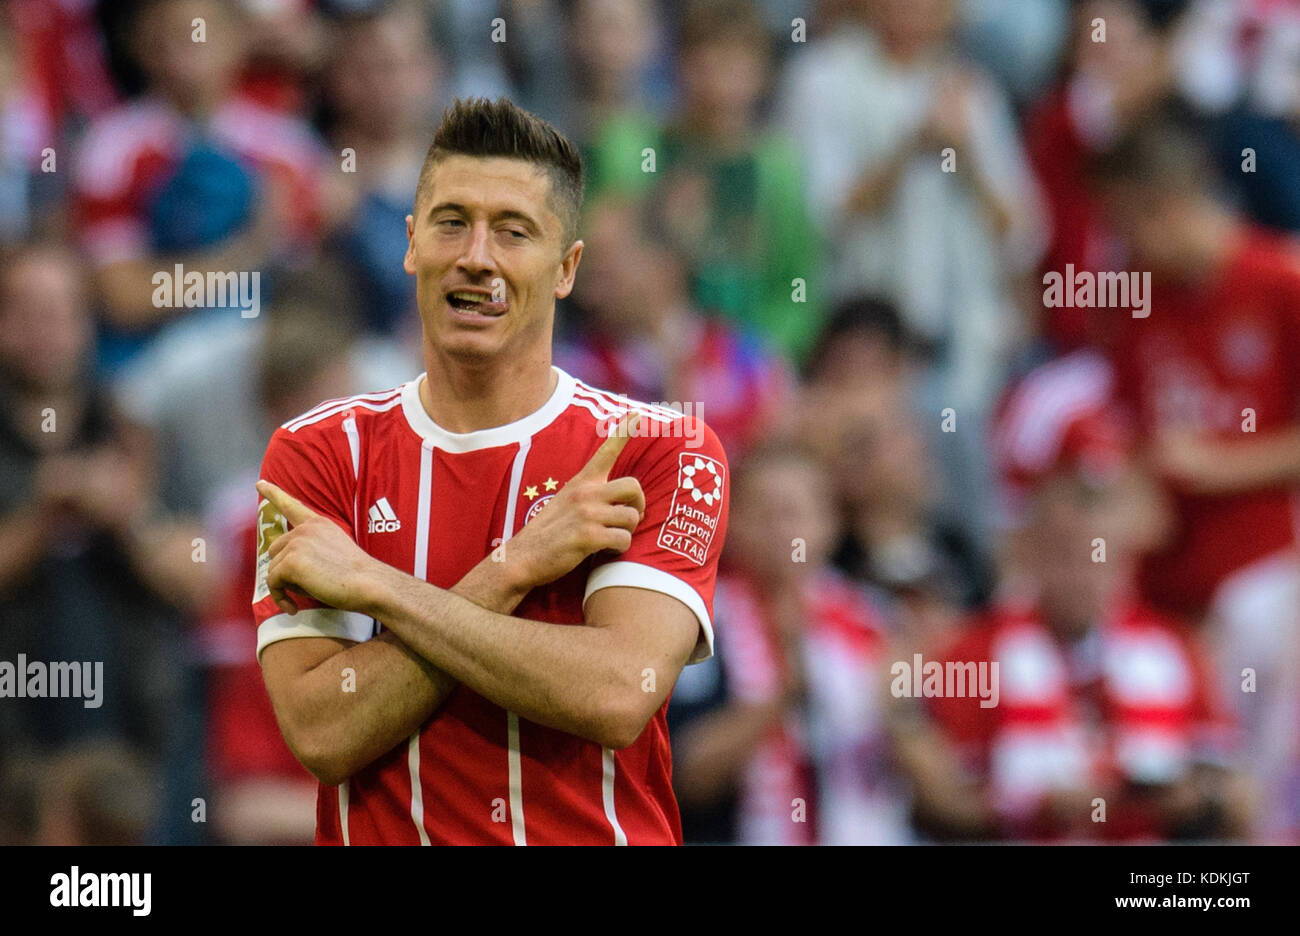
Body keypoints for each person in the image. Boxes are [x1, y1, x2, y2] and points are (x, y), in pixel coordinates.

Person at [254, 97, 730, 845]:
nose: (476, 255)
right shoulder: (316, 454)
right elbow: (324, 732)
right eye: (452, 222)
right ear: (412, 244)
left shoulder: (662, 449)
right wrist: (516, 567)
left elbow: (616, 692)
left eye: (514, 232)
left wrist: (377, 585)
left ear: (567, 268)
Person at [916, 350, 1249, 841]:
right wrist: (1036, 805)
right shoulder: (975, 652)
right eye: (1066, 554)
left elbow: (1240, 795)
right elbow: (937, 806)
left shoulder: (1176, 648)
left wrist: (1197, 798)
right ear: (1032, 553)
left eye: (1100, 558)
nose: (1084, 575)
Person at [1090, 115, 1300, 840]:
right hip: (1164, 576)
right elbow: (1129, 433)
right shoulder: (1140, 303)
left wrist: (1219, 466)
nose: (1122, 246)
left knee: (1251, 789)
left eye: (1127, 224)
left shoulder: (1279, 282)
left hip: (1261, 572)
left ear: (1167, 205)